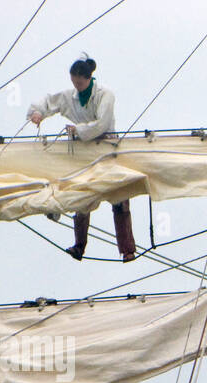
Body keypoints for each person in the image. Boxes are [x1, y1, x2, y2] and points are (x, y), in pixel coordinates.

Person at [27, 56, 136, 262]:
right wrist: (37, 112)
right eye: (73, 82)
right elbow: (51, 101)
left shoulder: (105, 95)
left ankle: (127, 249)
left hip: (106, 145)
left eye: (79, 82)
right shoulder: (72, 96)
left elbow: (102, 124)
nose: (76, 86)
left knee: (119, 197)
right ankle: (79, 246)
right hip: (83, 149)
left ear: (88, 78)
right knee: (80, 197)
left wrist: (78, 130)